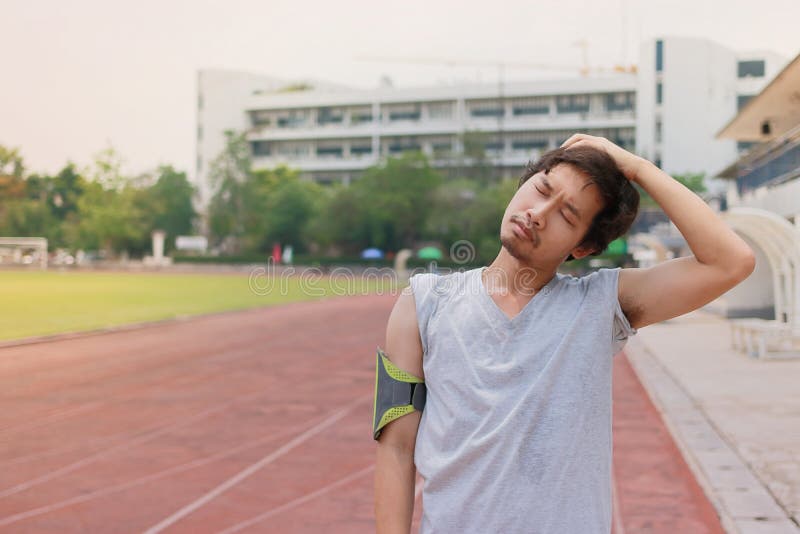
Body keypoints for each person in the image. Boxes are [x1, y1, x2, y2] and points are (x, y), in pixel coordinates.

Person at [373, 134, 756, 534]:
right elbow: (396, 447)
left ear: (584, 247)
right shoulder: (423, 303)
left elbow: (732, 262)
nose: (537, 213)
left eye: (567, 215)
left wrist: (637, 167)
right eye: (541, 189)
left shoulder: (600, 305)